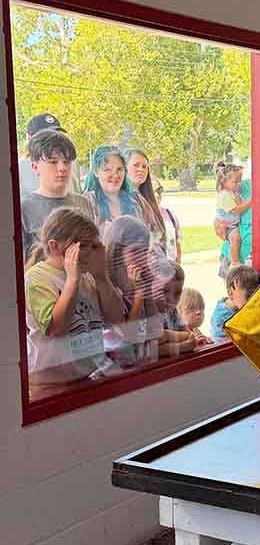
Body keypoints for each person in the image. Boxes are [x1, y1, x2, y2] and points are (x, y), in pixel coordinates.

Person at [24, 207, 125, 384]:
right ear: (54, 246)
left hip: (86, 376)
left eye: (94, 245)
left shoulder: (87, 275)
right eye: (82, 245)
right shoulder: (37, 277)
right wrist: (72, 280)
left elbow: (116, 318)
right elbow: (56, 328)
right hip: (49, 383)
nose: (90, 252)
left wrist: (101, 276)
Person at [20, 130, 95, 260]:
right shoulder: (23, 208)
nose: (62, 168)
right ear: (35, 166)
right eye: (53, 162)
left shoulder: (83, 203)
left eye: (66, 162)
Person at [103, 215, 163, 368]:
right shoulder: (110, 287)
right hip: (120, 370)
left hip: (143, 363)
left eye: (145, 251)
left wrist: (147, 289)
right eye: (135, 251)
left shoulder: (139, 280)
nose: (142, 258)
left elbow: (156, 329)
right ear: (117, 252)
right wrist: (139, 293)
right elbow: (129, 336)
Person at [83, 146, 164, 252]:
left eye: (119, 169)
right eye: (107, 169)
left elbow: (158, 236)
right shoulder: (87, 202)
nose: (115, 175)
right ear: (96, 172)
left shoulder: (136, 200)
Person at [18, 113, 83, 197]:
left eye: (56, 134)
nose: (52, 140)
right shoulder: (19, 169)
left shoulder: (72, 163)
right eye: (44, 138)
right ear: (29, 139)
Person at [151, 259, 197, 357]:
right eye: (164, 291)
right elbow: (148, 350)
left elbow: (189, 336)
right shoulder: (145, 313)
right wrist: (183, 346)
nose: (171, 299)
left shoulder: (173, 311)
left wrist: (167, 336)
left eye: (177, 293)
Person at [124, 149, 167, 254]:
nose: (141, 169)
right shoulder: (118, 200)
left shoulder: (147, 201)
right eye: (136, 165)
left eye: (144, 167)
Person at [210, 264, 260, 340]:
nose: (254, 301)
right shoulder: (222, 318)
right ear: (230, 293)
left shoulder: (240, 305)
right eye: (249, 296)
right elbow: (221, 342)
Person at [214, 163, 251, 268]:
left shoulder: (234, 190)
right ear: (223, 181)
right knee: (235, 238)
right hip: (229, 225)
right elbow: (237, 210)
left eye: (240, 180)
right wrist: (250, 201)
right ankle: (235, 262)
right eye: (236, 182)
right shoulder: (226, 195)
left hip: (232, 224)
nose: (239, 184)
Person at [150, 175, 182, 264]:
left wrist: (178, 265)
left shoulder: (170, 215)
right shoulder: (140, 216)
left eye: (159, 190)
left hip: (171, 270)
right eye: (152, 191)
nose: (157, 194)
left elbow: (177, 244)